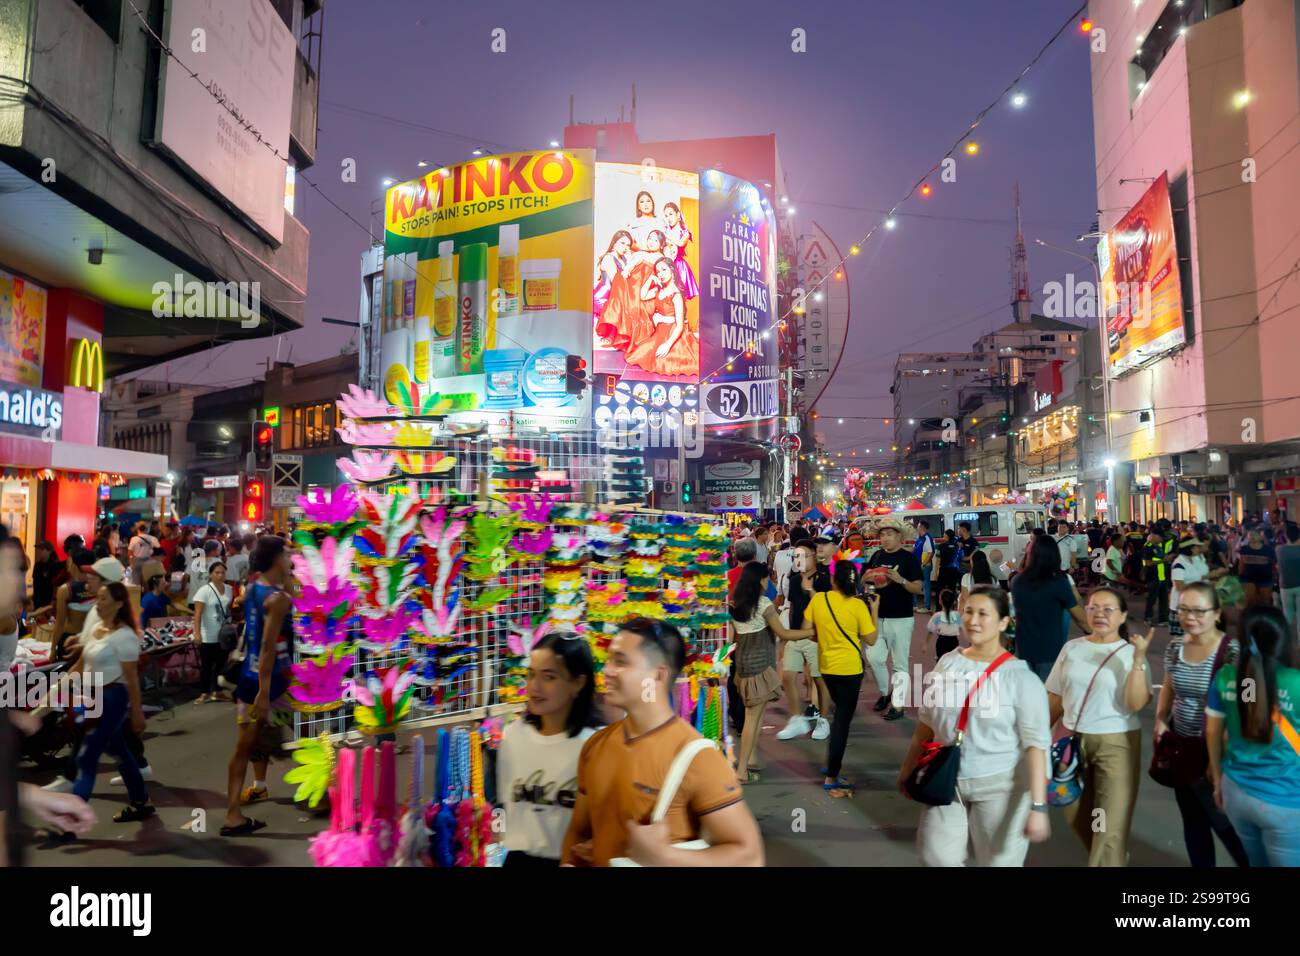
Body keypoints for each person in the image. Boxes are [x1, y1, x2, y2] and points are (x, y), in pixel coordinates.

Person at [560, 618, 763, 866]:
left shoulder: (697, 758)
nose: (608, 670)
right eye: (610, 659)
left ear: (657, 675)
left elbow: (749, 856)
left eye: (621, 661)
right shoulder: (596, 745)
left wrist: (665, 857)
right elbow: (579, 833)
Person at [900, 586, 1051, 866]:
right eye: (968, 611)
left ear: (1004, 622)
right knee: (936, 859)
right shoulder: (948, 663)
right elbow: (926, 722)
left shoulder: (1020, 678)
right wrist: (908, 767)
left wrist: (1038, 807)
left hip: (1001, 786)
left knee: (997, 863)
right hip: (947, 779)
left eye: (984, 613)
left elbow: (1036, 744)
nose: (973, 620)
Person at [30, 581, 154, 843]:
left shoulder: (126, 637)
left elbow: (131, 679)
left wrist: (137, 713)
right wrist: (48, 701)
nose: (97, 602)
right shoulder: (97, 629)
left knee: (87, 758)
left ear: (119, 603)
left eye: (104, 599)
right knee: (120, 751)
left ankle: (71, 825)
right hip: (91, 696)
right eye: (97, 598)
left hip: (112, 698)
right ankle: (141, 802)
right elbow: (78, 668)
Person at [1045, 587, 1152, 866]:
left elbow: (1136, 703)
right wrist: (1036, 739)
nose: (1099, 614)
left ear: (1122, 616)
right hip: (1071, 740)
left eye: (1108, 609)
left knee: (1108, 826)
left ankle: (1109, 856)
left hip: (1116, 743)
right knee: (1076, 813)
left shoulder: (1129, 653)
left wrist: (1139, 662)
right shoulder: (1072, 648)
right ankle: (1111, 856)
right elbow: (1055, 697)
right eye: (1093, 607)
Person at [1154, 581, 1249, 867]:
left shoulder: (1231, 652)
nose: (1189, 617)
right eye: (1183, 609)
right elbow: (1169, 688)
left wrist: (1218, 761)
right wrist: (1160, 719)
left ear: (1217, 613)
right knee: (1194, 823)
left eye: (1198, 610)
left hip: (1217, 753)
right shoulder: (1174, 648)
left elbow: (1239, 711)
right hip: (1183, 748)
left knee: (1228, 827)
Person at [1206, 606, 1300, 867]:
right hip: (1287, 801)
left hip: (1236, 792)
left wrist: (1217, 782)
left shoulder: (1225, 677)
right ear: (1284, 639)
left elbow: (1213, 733)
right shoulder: (1296, 682)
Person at [497, 631, 601, 868]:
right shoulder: (513, 736)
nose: (535, 686)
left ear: (578, 683)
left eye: (549, 677)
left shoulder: (594, 745)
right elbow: (505, 809)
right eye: (530, 674)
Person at [221, 536, 295, 836]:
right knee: (315, 734)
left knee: (244, 748)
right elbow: (267, 646)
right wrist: (265, 693)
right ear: (277, 558)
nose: (291, 558)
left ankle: (234, 813)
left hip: (249, 680)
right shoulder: (278, 600)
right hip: (273, 682)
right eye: (287, 554)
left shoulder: (254, 589)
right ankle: (329, 797)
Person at [729, 563, 814, 782]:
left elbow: (733, 639)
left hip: (744, 664)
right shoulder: (763, 604)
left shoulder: (736, 605)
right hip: (760, 665)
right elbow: (783, 632)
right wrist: (812, 631)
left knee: (755, 716)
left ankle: (752, 759)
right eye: (766, 579)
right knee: (753, 717)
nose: (769, 583)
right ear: (759, 581)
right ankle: (741, 771)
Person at [806, 560, 878, 796]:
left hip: (827, 667)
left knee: (839, 716)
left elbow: (810, 630)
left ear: (834, 580)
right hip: (850, 670)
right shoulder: (858, 606)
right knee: (841, 724)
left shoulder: (819, 600)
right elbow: (871, 639)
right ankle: (832, 776)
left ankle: (831, 763)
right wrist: (874, 611)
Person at [862, 517, 923, 720]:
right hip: (877, 616)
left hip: (901, 618)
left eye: (889, 534)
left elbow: (918, 588)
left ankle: (898, 705)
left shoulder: (909, 559)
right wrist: (869, 580)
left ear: (899, 536)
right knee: (874, 657)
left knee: (900, 664)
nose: (885, 539)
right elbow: (864, 579)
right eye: (882, 535)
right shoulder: (876, 556)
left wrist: (900, 579)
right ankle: (884, 692)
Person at [1010, 535, 1091, 681]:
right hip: (1050, 650)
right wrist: (1095, 633)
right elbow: (1079, 618)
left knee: (1027, 694)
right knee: (1047, 696)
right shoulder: (1059, 583)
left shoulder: (1017, 582)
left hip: (1023, 649)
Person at [775, 540, 830, 741]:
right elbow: (793, 606)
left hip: (816, 636)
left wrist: (811, 590)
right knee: (787, 677)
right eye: (796, 556)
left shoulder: (824, 578)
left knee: (818, 680)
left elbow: (827, 608)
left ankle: (823, 721)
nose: (799, 560)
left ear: (814, 556)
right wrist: (788, 635)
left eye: (803, 556)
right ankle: (797, 719)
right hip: (796, 634)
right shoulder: (795, 578)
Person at [193, 560, 234, 704]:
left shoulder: (229, 589)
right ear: (210, 574)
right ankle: (204, 692)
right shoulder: (204, 591)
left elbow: (227, 608)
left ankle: (217, 691)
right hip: (207, 634)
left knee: (221, 664)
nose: (220, 575)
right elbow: (197, 614)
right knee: (206, 666)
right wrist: (197, 633)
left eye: (223, 572)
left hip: (223, 635)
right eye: (217, 572)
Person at [1169, 538, 1215, 637]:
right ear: (1191, 549)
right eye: (1197, 547)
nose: (1199, 549)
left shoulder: (1192, 561)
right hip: (1182, 605)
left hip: (1193, 603)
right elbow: (1179, 586)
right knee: (1182, 638)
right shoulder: (1179, 564)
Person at [1275, 523, 1300, 633]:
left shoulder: (1279, 549)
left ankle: (1284, 639)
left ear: (1286, 536)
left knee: (1287, 613)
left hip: (1285, 585)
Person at [927, 588, 962, 658]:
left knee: (940, 660)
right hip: (954, 640)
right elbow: (961, 627)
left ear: (940, 601)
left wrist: (925, 643)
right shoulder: (957, 615)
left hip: (941, 641)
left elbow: (930, 630)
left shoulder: (937, 615)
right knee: (953, 661)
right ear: (954, 602)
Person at [960, 549, 996, 614]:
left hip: (972, 614)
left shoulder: (966, 578)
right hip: (988, 613)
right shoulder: (993, 579)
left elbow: (965, 599)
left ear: (972, 562)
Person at [30, 540, 60, 612]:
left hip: (49, 603)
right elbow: (35, 583)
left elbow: (57, 586)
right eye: (38, 549)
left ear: (49, 551)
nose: (39, 551)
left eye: (42, 549)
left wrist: (54, 600)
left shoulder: (55, 565)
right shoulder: (37, 565)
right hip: (37, 602)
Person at [912, 519, 935, 612]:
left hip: (925, 566)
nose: (916, 528)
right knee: (914, 583)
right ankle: (914, 605)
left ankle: (926, 607)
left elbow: (931, 552)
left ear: (922, 527)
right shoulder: (919, 538)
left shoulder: (927, 538)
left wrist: (923, 564)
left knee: (926, 585)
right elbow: (914, 550)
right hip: (917, 565)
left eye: (918, 526)